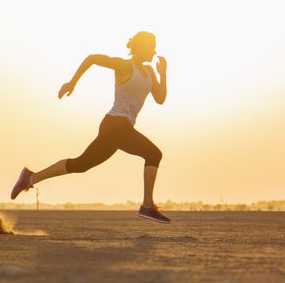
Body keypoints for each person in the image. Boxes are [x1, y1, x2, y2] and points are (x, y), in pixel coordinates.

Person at [10, 31, 170, 223]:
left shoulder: (150, 72)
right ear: (141, 47)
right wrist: (72, 83)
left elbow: (160, 99)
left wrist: (163, 74)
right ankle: (147, 206)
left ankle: (29, 178)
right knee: (154, 154)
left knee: (81, 164)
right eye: (151, 46)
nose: (154, 50)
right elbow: (92, 59)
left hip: (120, 128)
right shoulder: (123, 65)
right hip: (115, 124)